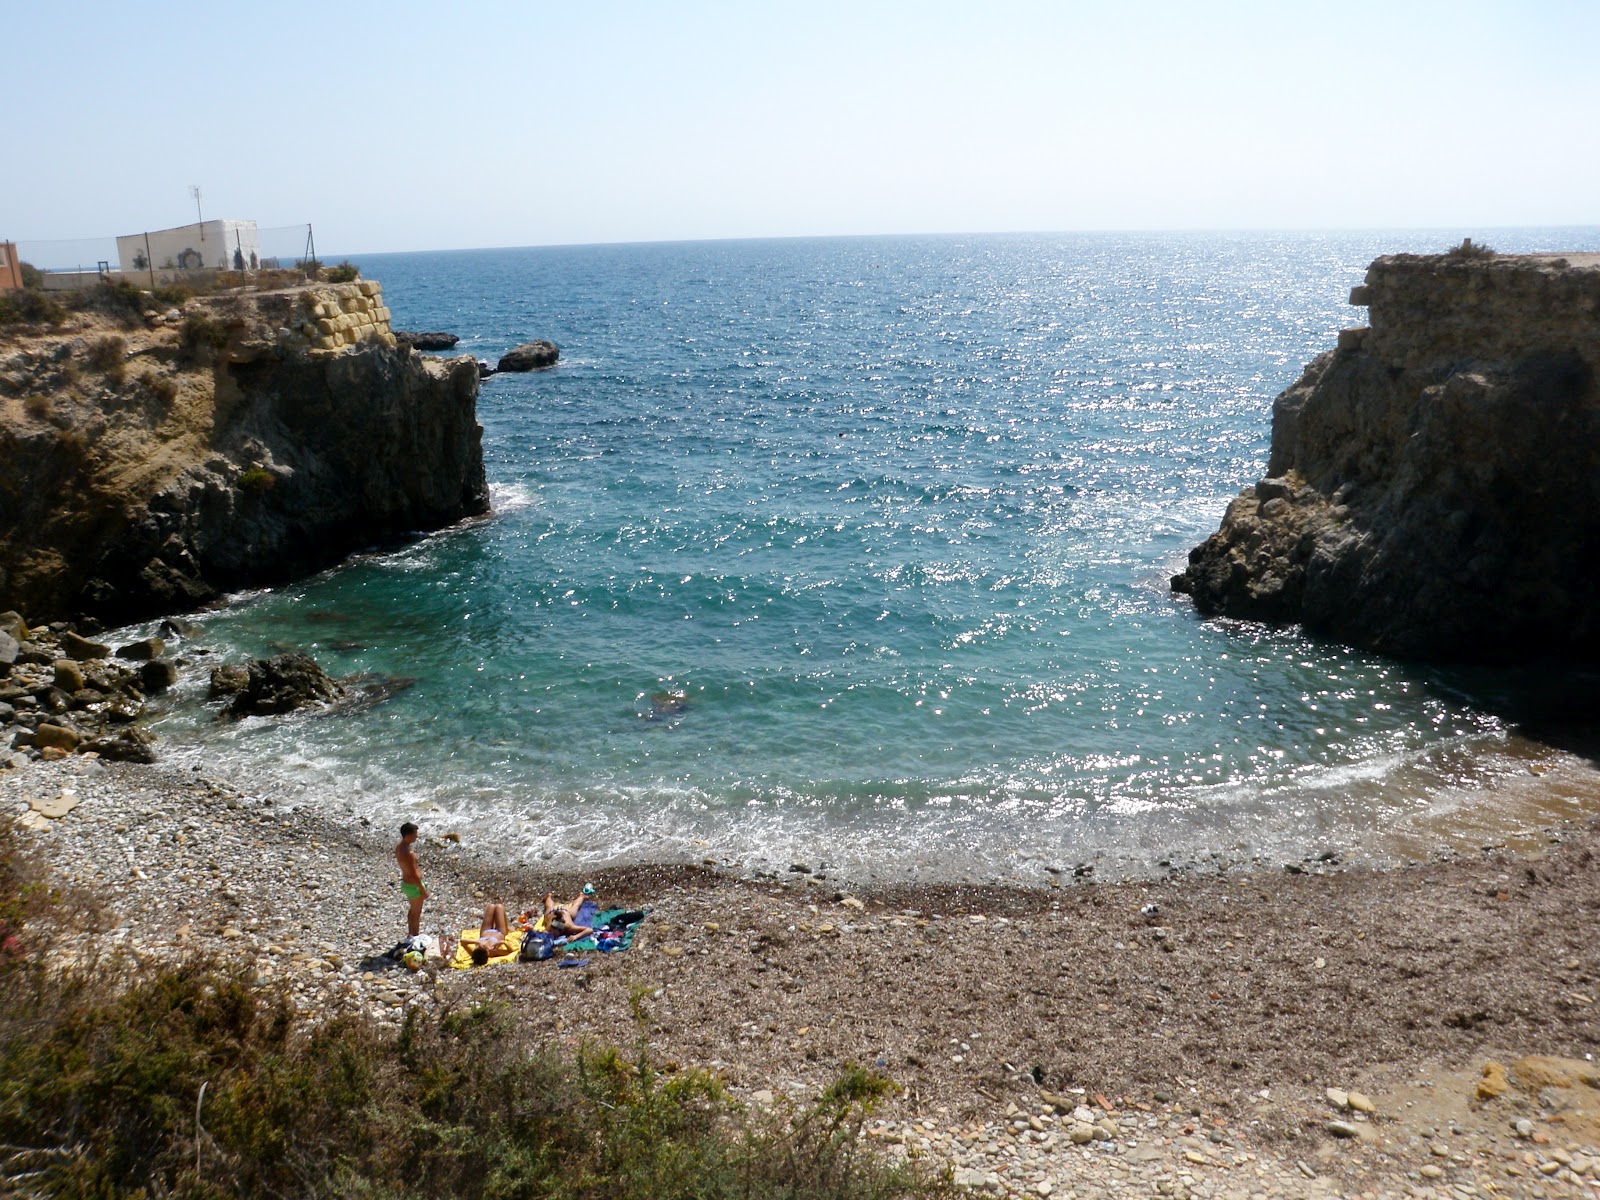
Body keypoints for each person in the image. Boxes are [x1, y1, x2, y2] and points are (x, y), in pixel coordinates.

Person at [395, 822, 428, 936]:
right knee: (416, 912)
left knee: (412, 910)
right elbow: (414, 874)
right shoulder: (408, 853)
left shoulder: (399, 847)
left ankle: (411, 933)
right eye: (415, 834)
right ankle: (415, 935)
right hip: (413, 885)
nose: (417, 836)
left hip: (406, 884)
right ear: (408, 835)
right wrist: (423, 890)